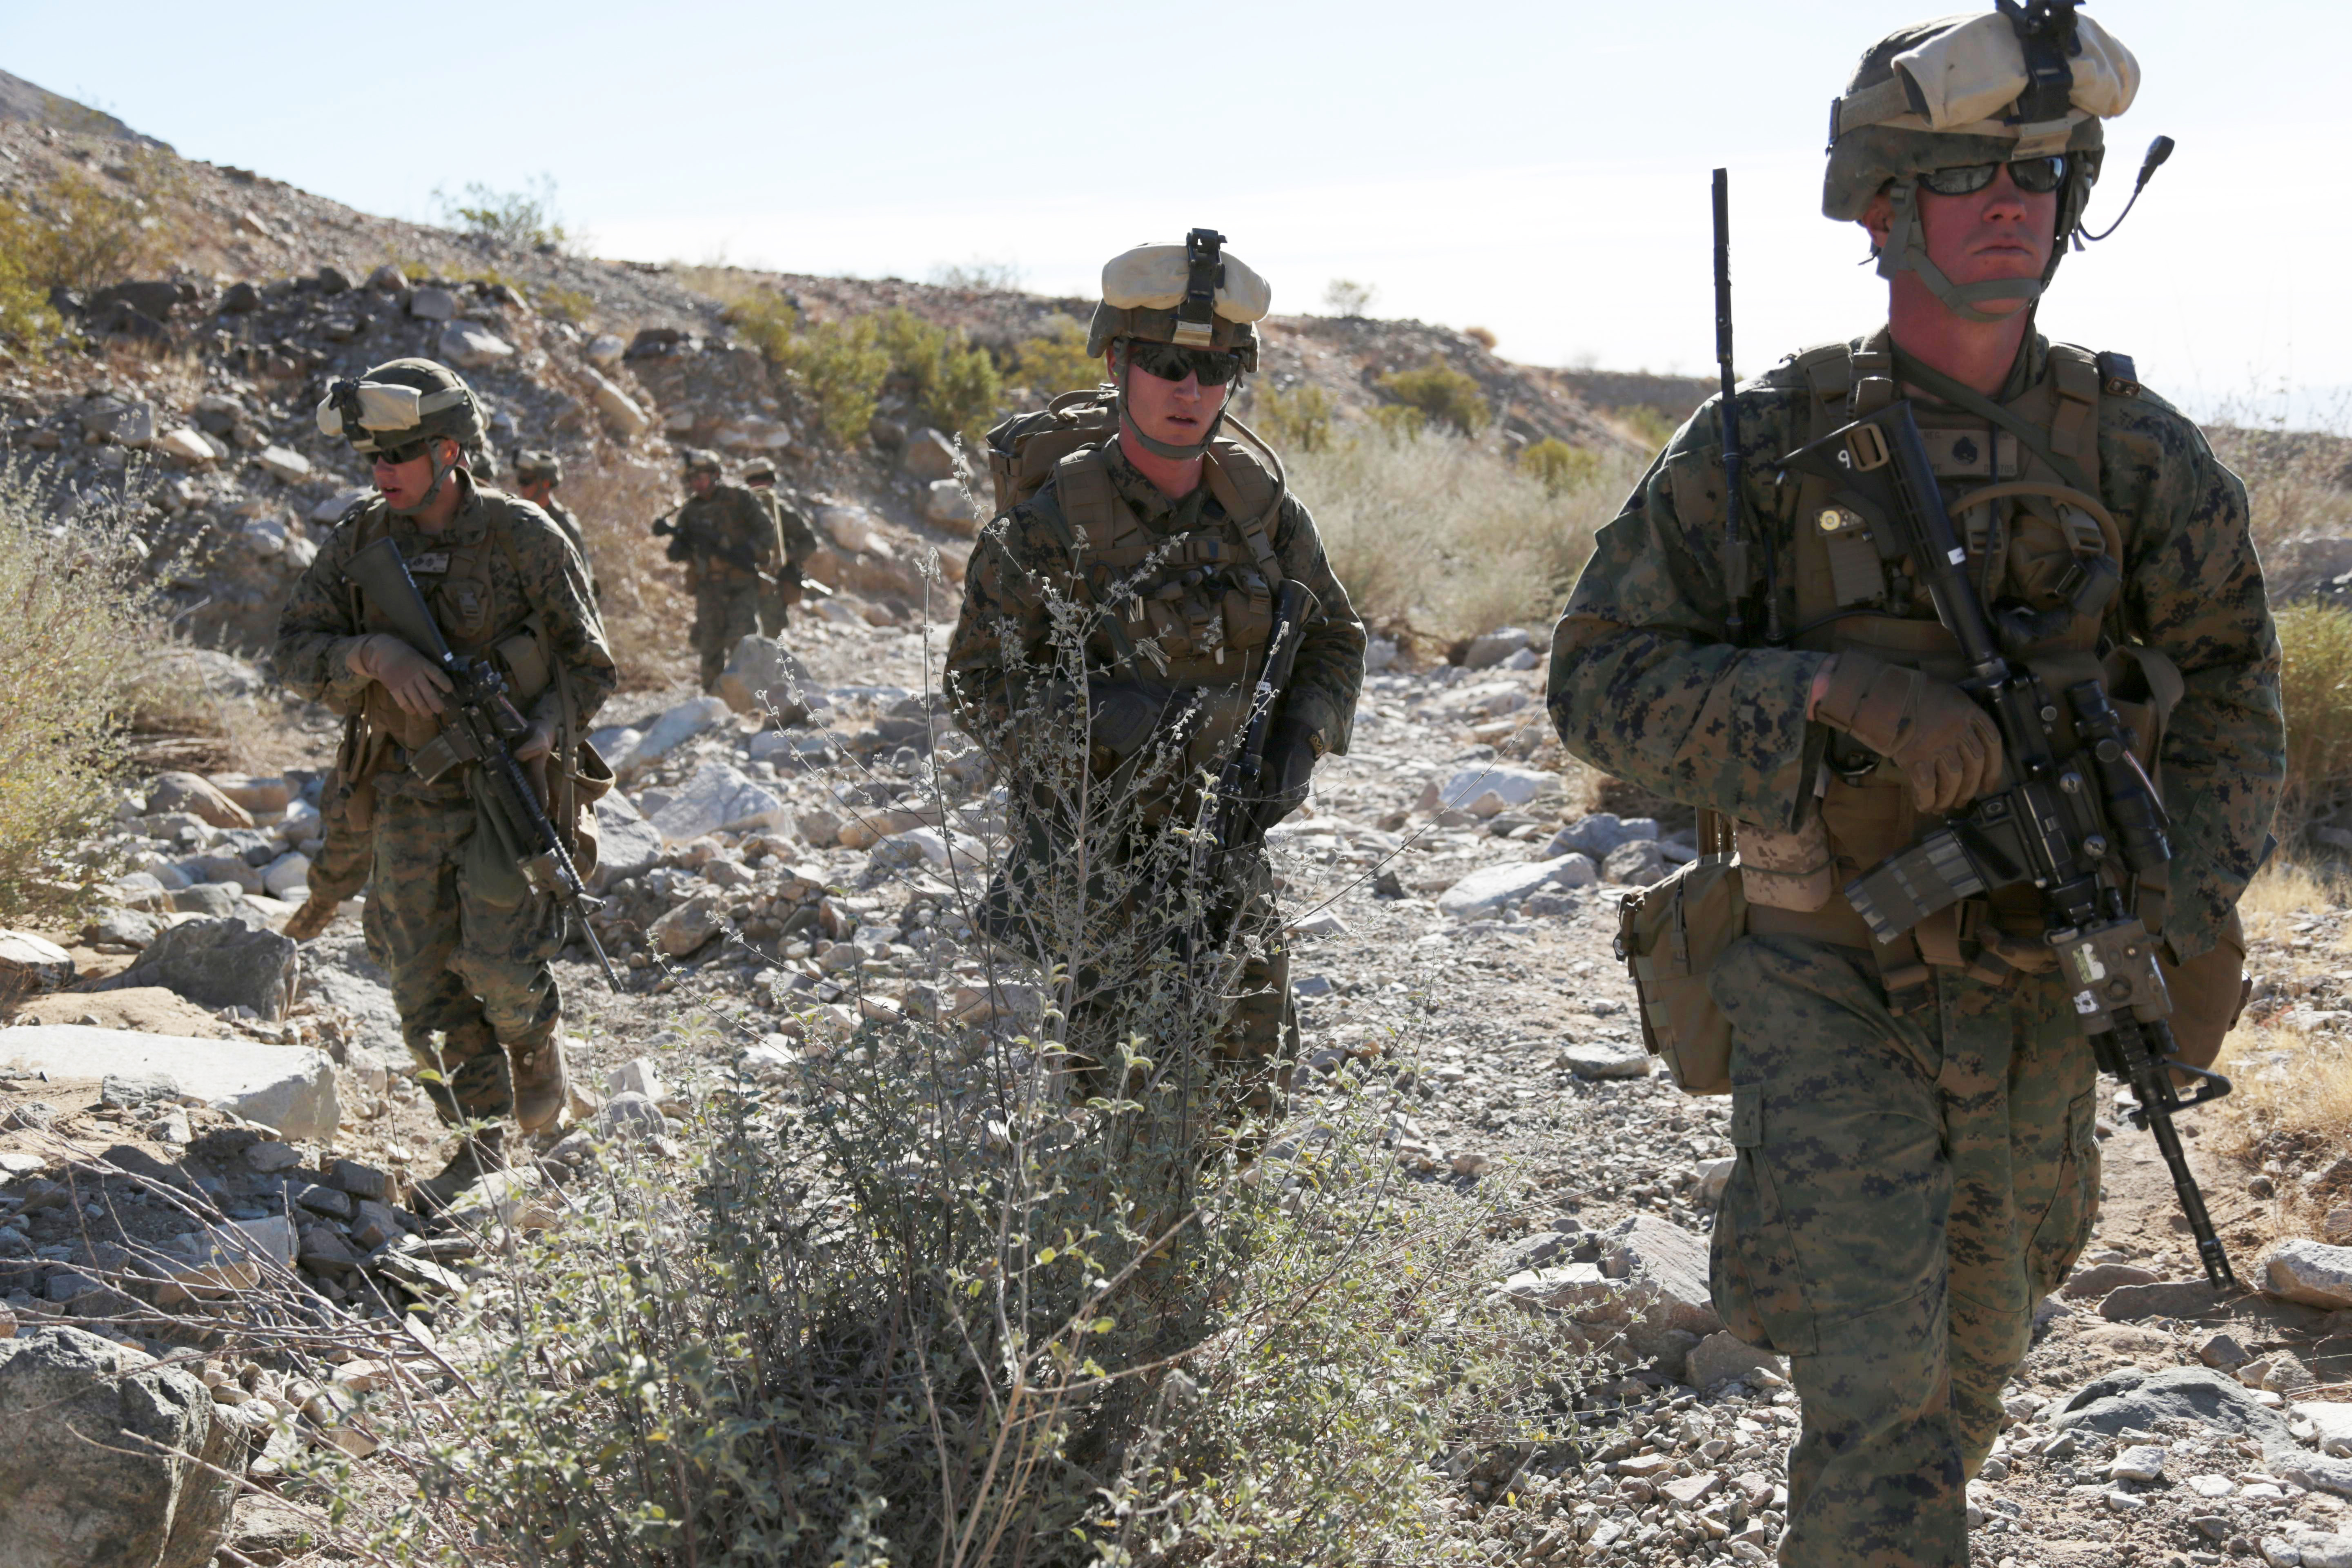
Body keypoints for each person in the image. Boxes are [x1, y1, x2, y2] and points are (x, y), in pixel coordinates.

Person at [1547, 9, 2283, 1564]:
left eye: (2039, 169)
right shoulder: (1763, 449)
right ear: (1883, 205)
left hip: (2040, 990)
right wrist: (1821, 695)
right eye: (1966, 174)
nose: (2013, 200)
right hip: (1829, 977)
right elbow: (1594, 681)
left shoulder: (2135, 456)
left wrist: (2173, 897)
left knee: (1971, 1364)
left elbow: (2228, 686)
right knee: (1872, 1396)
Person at [944, 232, 1365, 1128]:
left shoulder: (1261, 513)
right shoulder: (1046, 529)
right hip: (1097, 855)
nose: (1191, 391)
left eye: (1216, 370)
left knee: (1248, 1090)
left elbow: (1334, 634)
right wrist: (1118, 724)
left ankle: (1207, 1261)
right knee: (1119, 1108)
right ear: (1117, 361)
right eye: (1167, 363)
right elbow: (978, 686)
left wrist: (1305, 738)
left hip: (1230, 842)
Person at [276, 357, 615, 1204]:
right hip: (401, 793)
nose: (382, 474)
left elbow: (591, 665)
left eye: (400, 455)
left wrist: (545, 728)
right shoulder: (361, 539)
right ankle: (478, 1141)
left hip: (506, 790)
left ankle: (536, 1044)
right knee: (419, 982)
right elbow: (292, 650)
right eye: (373, 459)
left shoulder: (525, 538)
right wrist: (370, 656)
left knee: (501, 971)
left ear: (452, 452)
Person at [657, 448, 776, 693]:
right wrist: (675, 540)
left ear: (715, 475)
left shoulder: (739, 499)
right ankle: (714, 701)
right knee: (710, 644)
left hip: (742, 583)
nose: (697, 485)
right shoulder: (690, 511)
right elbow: (676, 551)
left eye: (701, 478)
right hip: (708, 586)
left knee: (742, 640)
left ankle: (751, 695)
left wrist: (748, 551)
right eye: (692, 480)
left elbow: (767, 531)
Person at [742, 456, 824, 635]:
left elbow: (809, 542)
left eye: (766, 481)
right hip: (742, 581)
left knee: (769, 636)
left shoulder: (781, 512)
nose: (764, 485)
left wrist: (784, 555)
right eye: (757, 481)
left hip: (771, 585)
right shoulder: (738, 510)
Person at [512, 448, 600, 603]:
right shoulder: (521, 518)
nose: (522, 488)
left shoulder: (564, 525)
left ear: (545, 483)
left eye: (526, 482)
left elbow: (581, 579)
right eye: (520, 481)